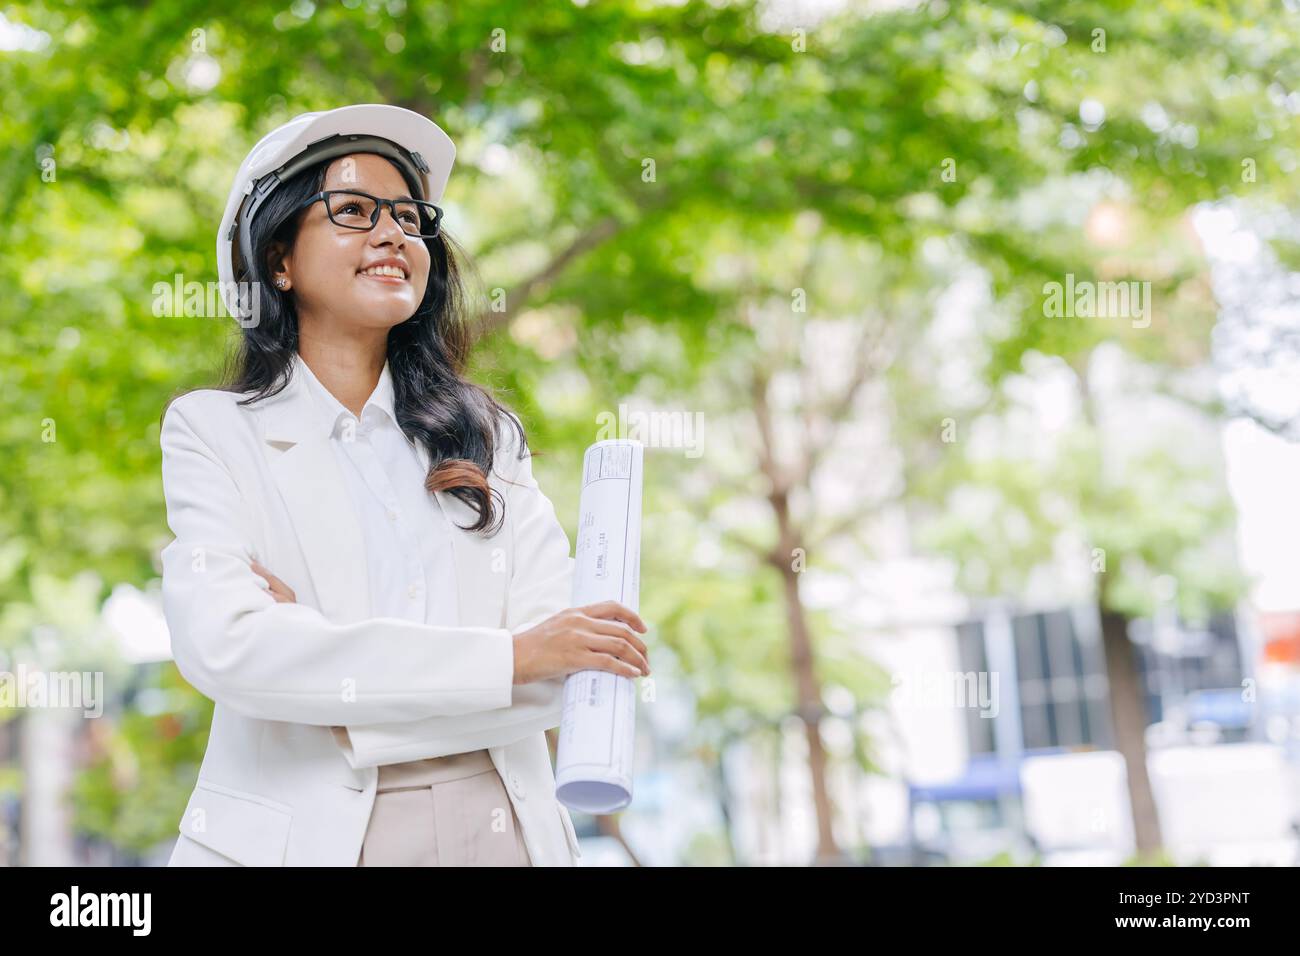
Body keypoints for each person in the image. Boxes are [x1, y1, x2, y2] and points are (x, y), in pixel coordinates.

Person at [159, 104, 650, 866]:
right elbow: (231, 651)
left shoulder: (486, 436)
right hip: (311, 842)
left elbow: (567, 672)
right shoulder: (214, 432)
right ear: (279, 260)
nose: (394, 234)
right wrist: (509, 659)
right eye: (353, 210)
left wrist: (322, 660)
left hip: (502, 832)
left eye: (409, 217)